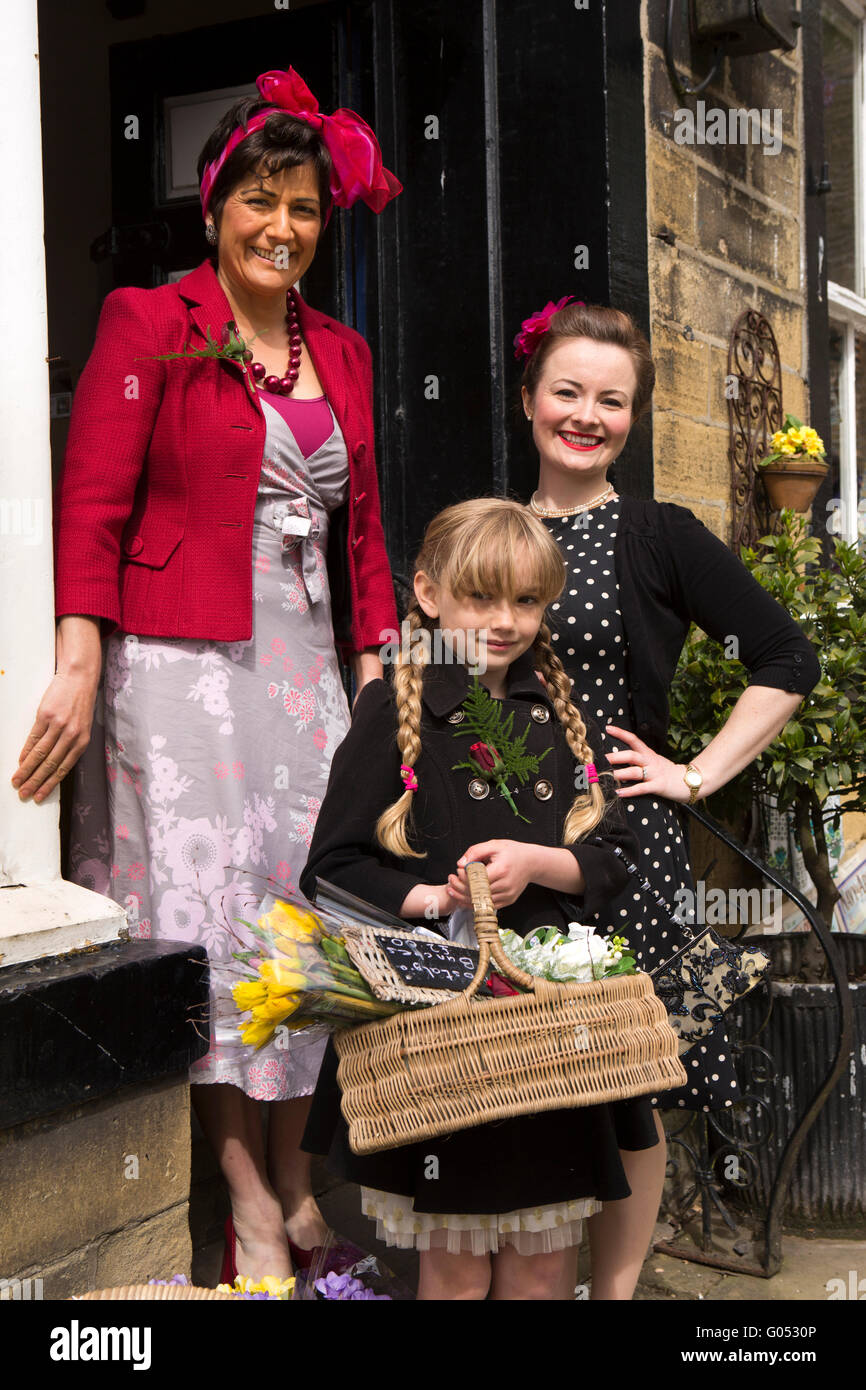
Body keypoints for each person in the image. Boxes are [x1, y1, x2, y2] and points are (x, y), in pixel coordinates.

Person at [13, 67, 401, 1282]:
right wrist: (78, 654)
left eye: (303, 208)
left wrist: (386, 691)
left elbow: (368, 537)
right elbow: (92, 500)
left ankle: (296, 1175)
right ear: (213, 205)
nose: (280, 227)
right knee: (209, 923)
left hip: (301, 680)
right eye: (258, 200)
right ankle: (241, 1190)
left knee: (302, 917)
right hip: (177, 674)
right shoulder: (149, 320)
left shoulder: (341, 349)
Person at [516, 297, 821, 1296]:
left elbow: (783, 656)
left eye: (610, 400)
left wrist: (691, 774)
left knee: (631, 1091)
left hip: (624, 853)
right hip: (504, 843)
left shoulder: (657, 533)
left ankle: (609, 1295)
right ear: (528, 400)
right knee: (522, 1082)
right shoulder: (486, 533)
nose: (586, 415)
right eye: (567, 392)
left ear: (630, 418)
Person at [298, 498, 675, 1301]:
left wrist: (543, 863)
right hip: (448, 1030)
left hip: (548, 1033)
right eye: (481, 598)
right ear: (430, 594)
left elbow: (613, 862)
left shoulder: (560, 722)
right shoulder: (395, 718)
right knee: (459, 1268)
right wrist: (430, 896)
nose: (506, 621)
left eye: (528, 601)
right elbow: (331, 865)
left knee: (542, 1267)